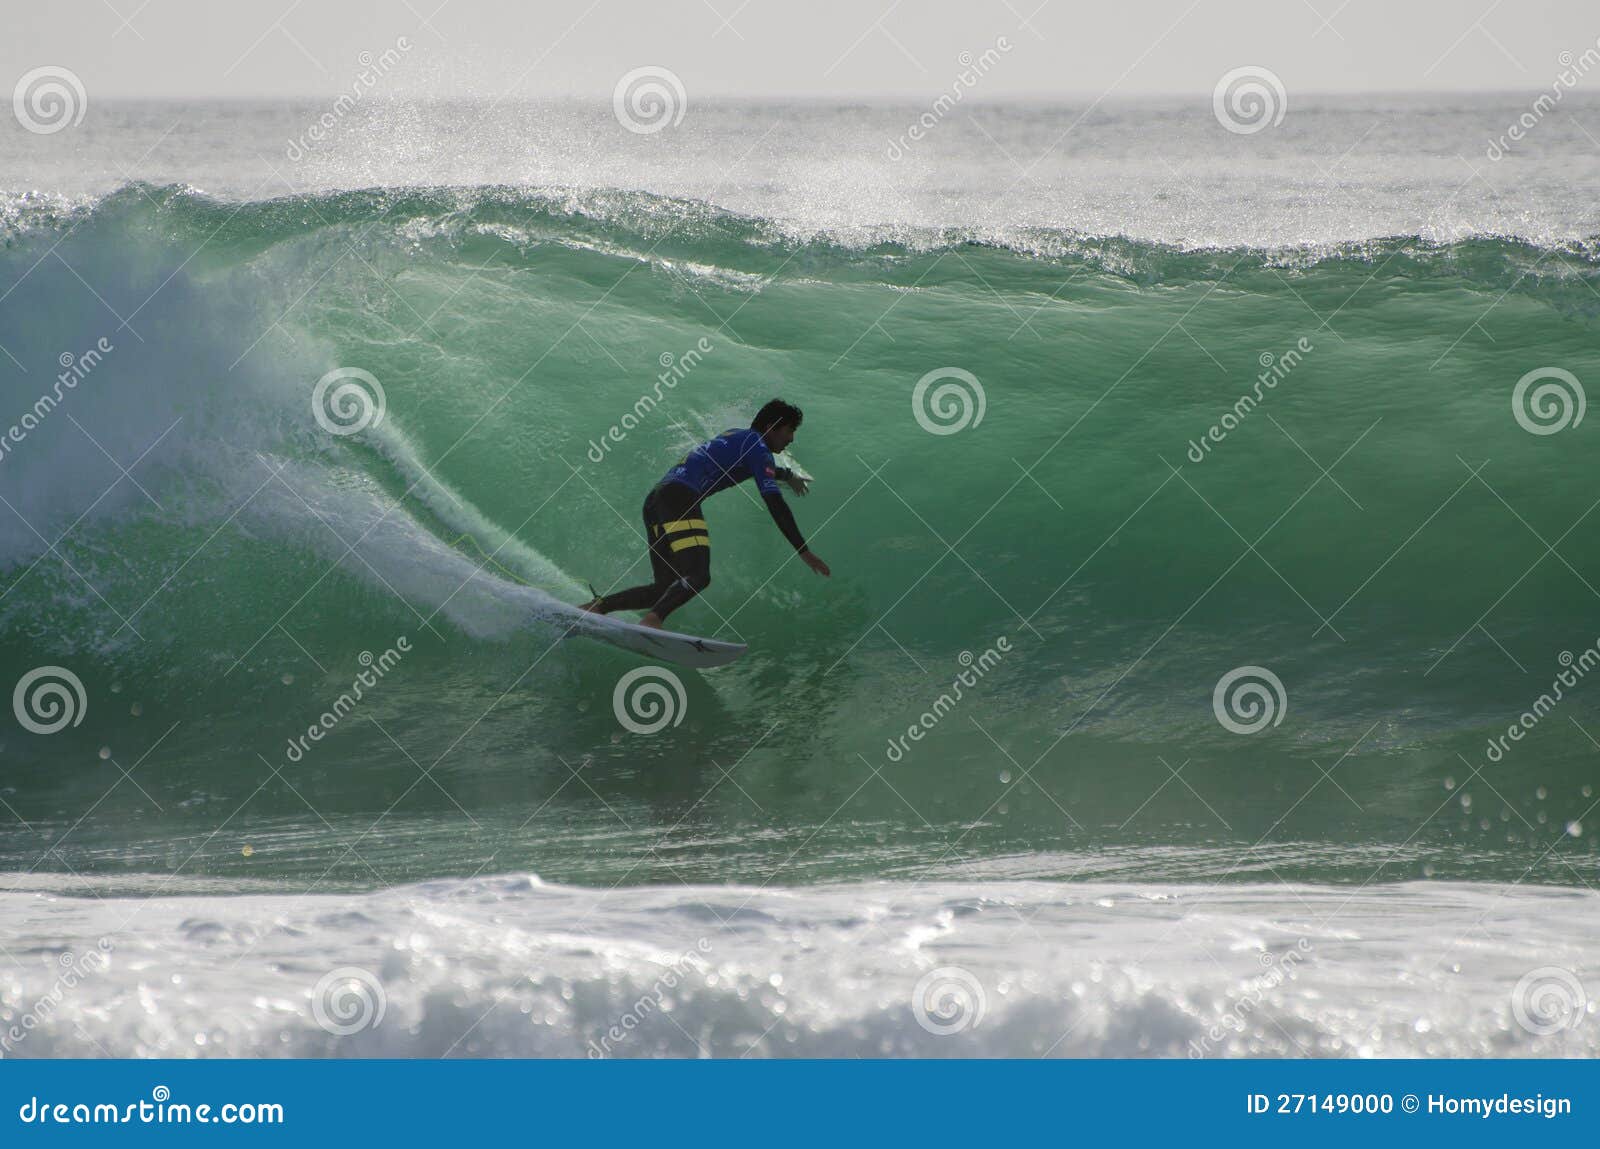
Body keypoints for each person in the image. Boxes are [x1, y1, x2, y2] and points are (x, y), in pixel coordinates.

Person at [581, 399, 830, 629]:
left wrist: (788, 475)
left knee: (664, 588)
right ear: (771, 428)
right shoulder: (758, 447)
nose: (791, 438)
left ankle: (596, 608)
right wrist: (803, 551)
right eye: (789, 430)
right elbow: (774, 502)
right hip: (680, 499)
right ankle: (651, 622)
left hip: (657, 500)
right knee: (698, 576)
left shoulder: (738, 437)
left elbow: (758, 468)